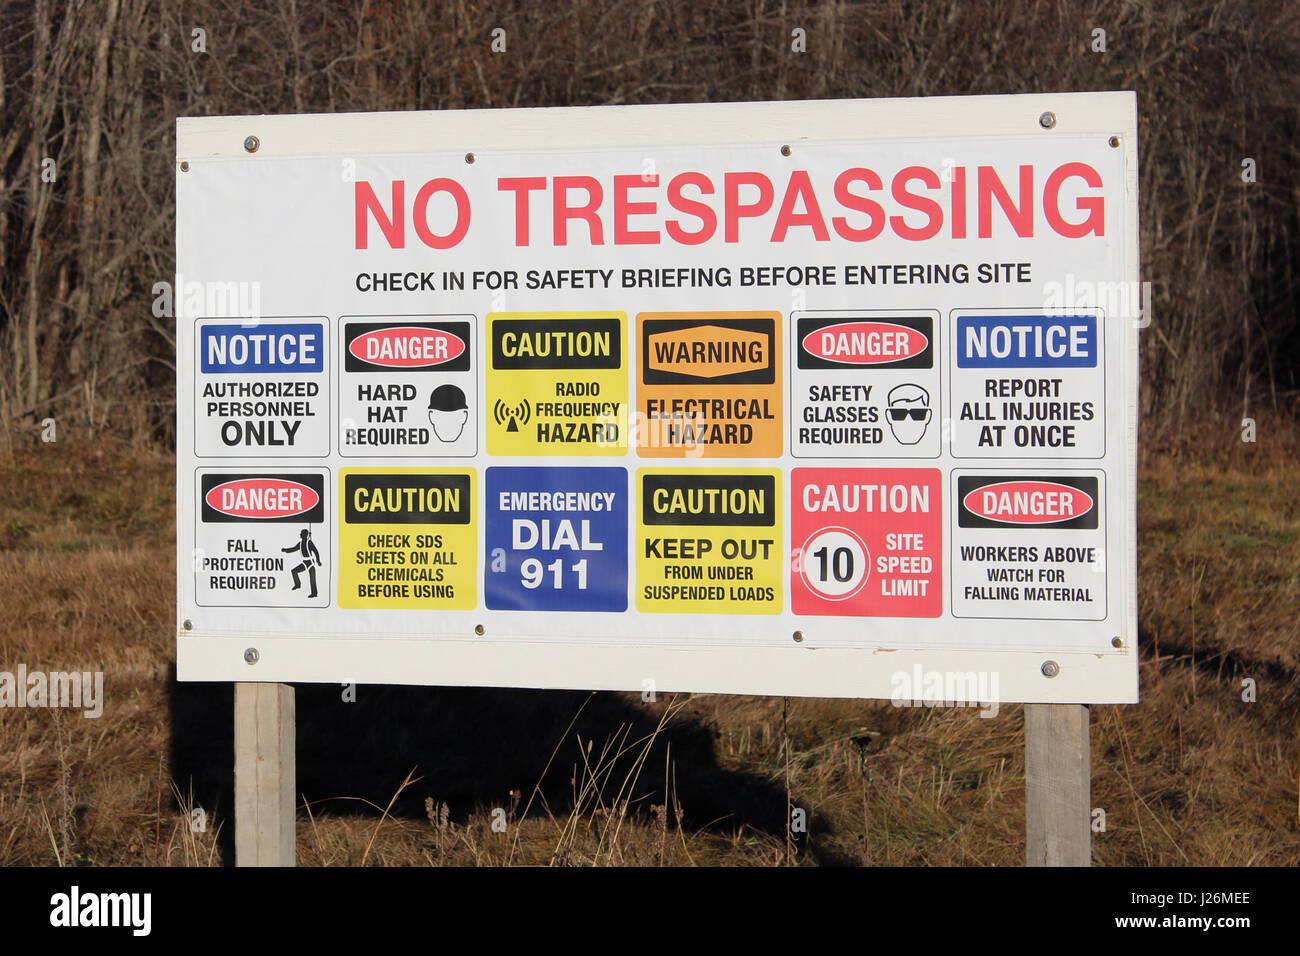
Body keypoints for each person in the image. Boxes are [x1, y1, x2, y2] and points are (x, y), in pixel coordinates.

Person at [282, 528, 321, 598]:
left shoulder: (309, 542)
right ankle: (297, 584)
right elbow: (293, 549)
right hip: (305, 562)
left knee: (312, 579)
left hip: (311, 563)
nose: (300, 535)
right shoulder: (300, 543)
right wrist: (285, 550)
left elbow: (316, 551)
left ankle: (314, 593)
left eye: (301, 534)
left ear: (304, 535)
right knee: (293, 571)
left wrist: (318, 561)